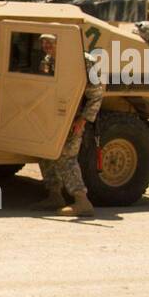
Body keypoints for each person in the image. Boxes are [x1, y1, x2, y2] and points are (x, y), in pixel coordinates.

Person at [31, 33, 104, 217]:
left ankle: (81, 200)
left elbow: (96, 94)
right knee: (46, 152)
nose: (46, 46)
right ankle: (54, 194)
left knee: (67, 156)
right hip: (52, 115)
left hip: (73, 116)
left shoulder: (86, 61)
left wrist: (83, 119)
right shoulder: (48, 60)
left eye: (51, 42)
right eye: (44, 42)